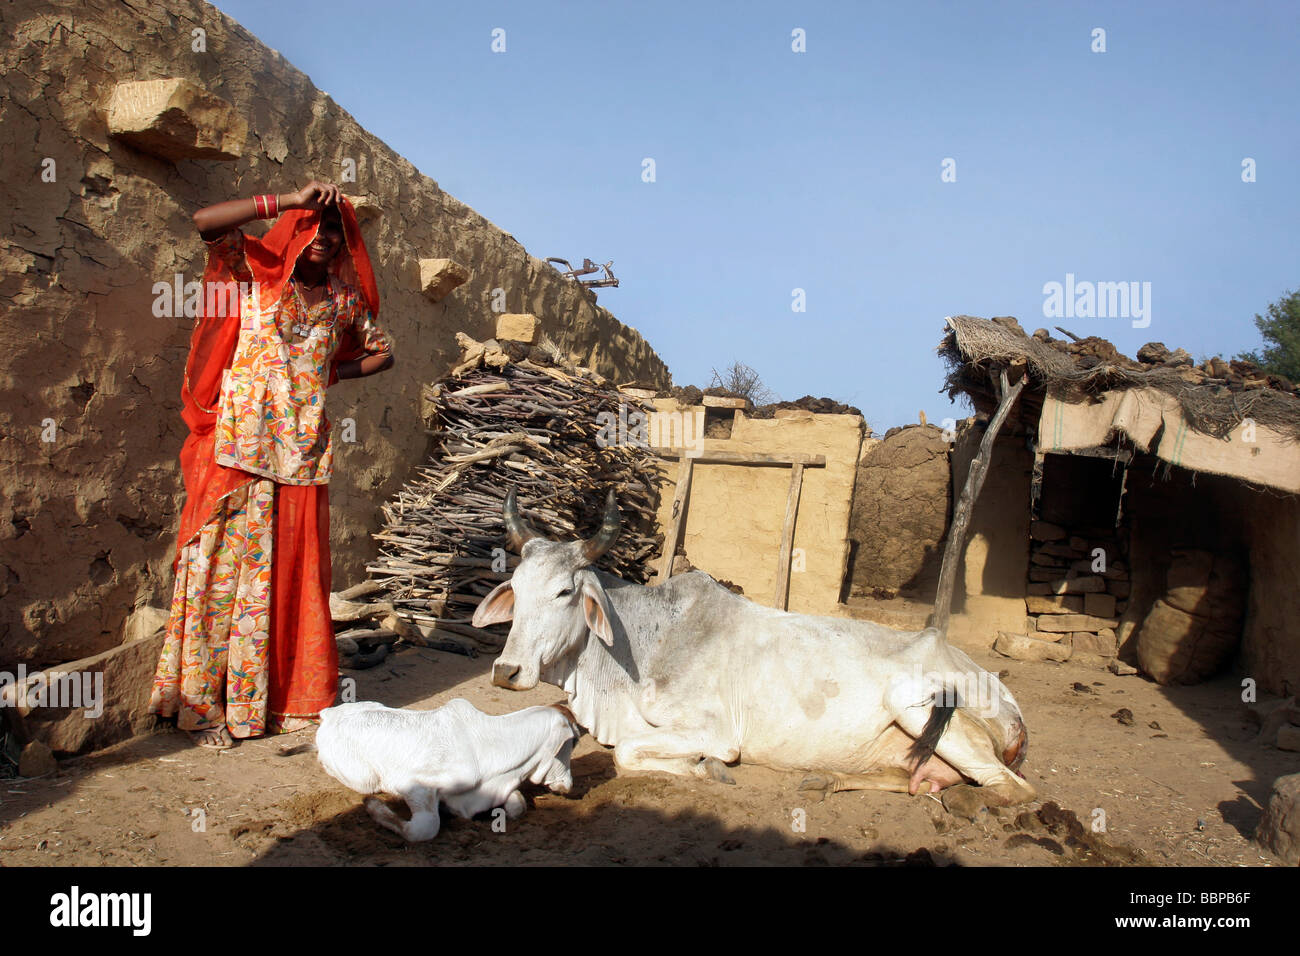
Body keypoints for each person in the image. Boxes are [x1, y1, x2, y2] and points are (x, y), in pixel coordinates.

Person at [149, 181, 394, 748]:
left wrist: (330, 376)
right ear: (297, 226)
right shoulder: (255, 275)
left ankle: (274, 706)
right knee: (222, 577)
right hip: (237, 449)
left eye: (335, 230)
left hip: (300, 456)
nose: (324, 238)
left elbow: (383, 352)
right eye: (314, 225)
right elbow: (205, 220)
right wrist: (284, 200)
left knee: (284, 578)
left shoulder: (343, 301)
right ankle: (207, 709)